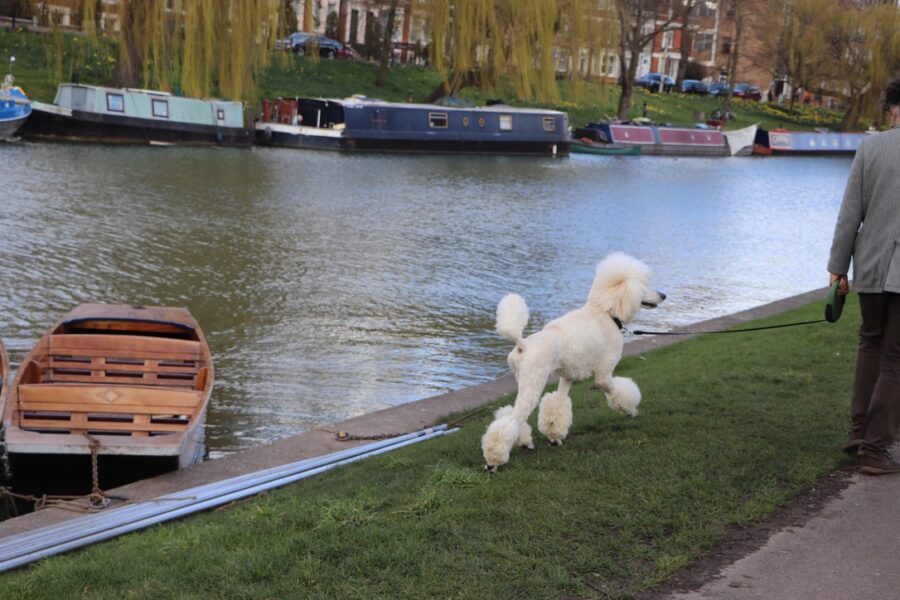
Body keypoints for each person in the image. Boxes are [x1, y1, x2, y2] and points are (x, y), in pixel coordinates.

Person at [828, 74, 900, 475]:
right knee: (896, 358)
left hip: (870, 264)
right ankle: (875, 449)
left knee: (870, 343)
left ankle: (858, 432)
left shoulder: (870, 148)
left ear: (894, 108)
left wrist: (838, 267)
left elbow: (848, 217)